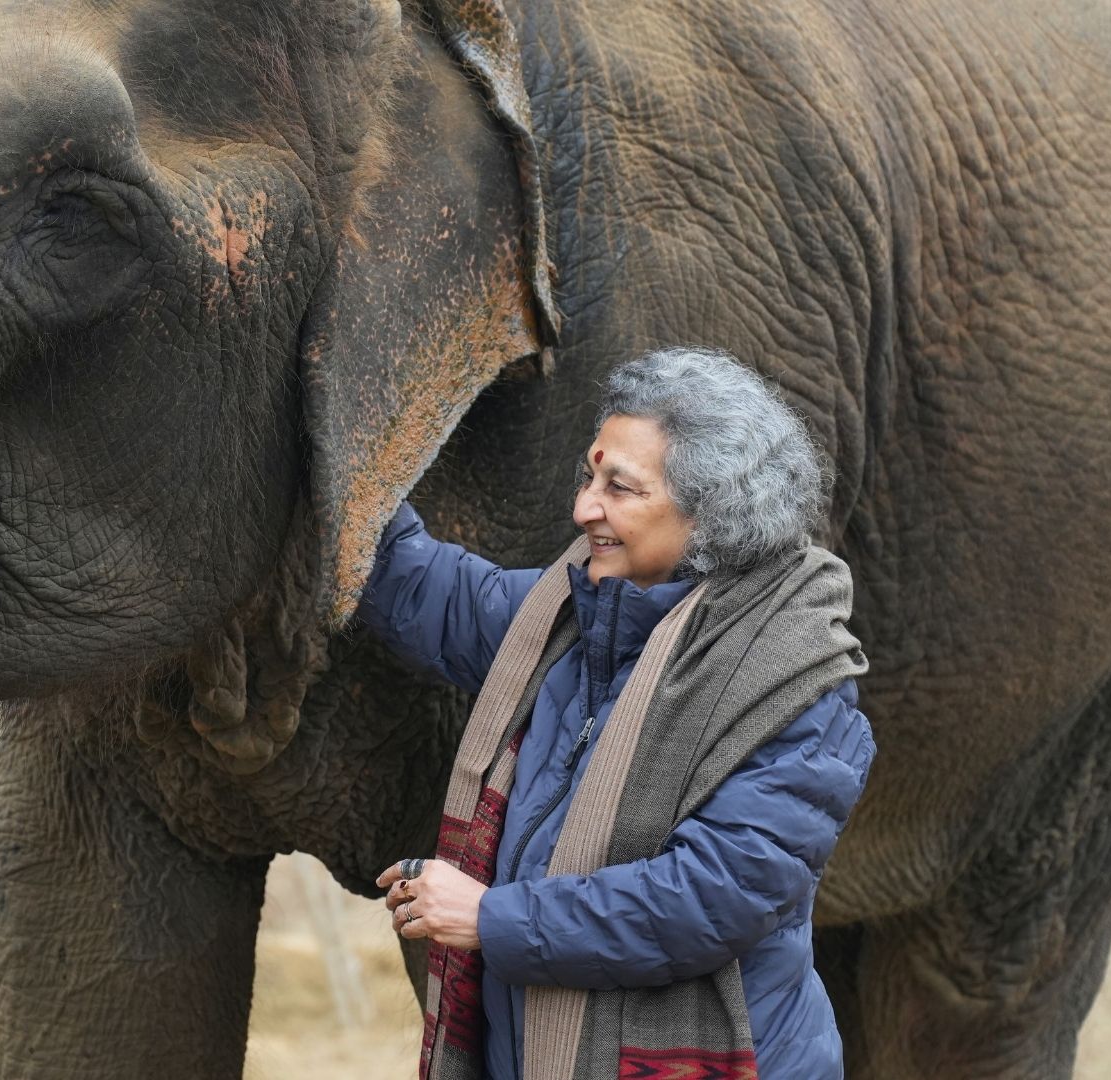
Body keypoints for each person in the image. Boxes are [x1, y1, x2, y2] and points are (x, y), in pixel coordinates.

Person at [363, 347, 875, 1080]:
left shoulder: (798, 689)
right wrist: (339, 477)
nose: (583, 508)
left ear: (710, 512)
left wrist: (489, 918)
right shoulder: (575, 623)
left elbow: (705, 902)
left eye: (619, 488)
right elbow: (426, 591)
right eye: (588, 475)